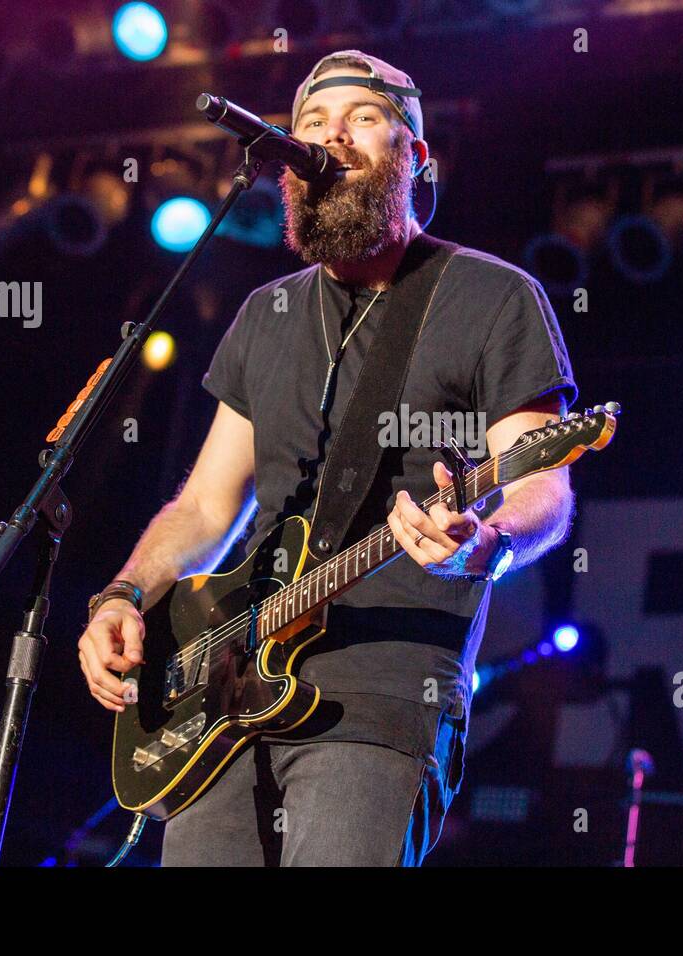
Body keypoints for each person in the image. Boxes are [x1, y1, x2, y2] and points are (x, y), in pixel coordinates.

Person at [77, 50, 578, 866]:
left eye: (363, 119)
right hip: (226, 695)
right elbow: (206, 507)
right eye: (311, 124)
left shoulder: (492, 297)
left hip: (380, 699)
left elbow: (541, 484)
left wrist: (490, 544)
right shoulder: (264, 314)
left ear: (413, 158)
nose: (330, 137)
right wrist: (125, 594)